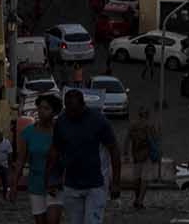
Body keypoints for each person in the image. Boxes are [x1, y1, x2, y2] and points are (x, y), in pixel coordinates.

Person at [48, 88, 121, 224]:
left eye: (75, 110)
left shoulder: (99, 121)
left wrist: (116, 182)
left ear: (83, 105)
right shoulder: (62, 122)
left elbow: (114, 150)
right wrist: (53, 177)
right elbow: (56, 150)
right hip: (72, 184)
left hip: (96, 184)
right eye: (68, 110)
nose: (72, 114)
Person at [20, 92, 61, 224]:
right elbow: (21, 160)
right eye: (40, 108)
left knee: (53, 220)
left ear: (54, 112)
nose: (41, 111)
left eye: (46, 108)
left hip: (55, 183)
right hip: (36, 183)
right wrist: (14, 184)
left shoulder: (60, 132)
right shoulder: (28, 132)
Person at [129, 105, 159, 210]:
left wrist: (126, 153)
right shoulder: (149, 125)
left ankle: (136, 199)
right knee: (145, 179)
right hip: (146, 155)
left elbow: (128, 139)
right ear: (147, 114)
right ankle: (140, 200)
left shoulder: (133, 125)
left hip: (136, 155)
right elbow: (155, 140)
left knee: (136, 178)